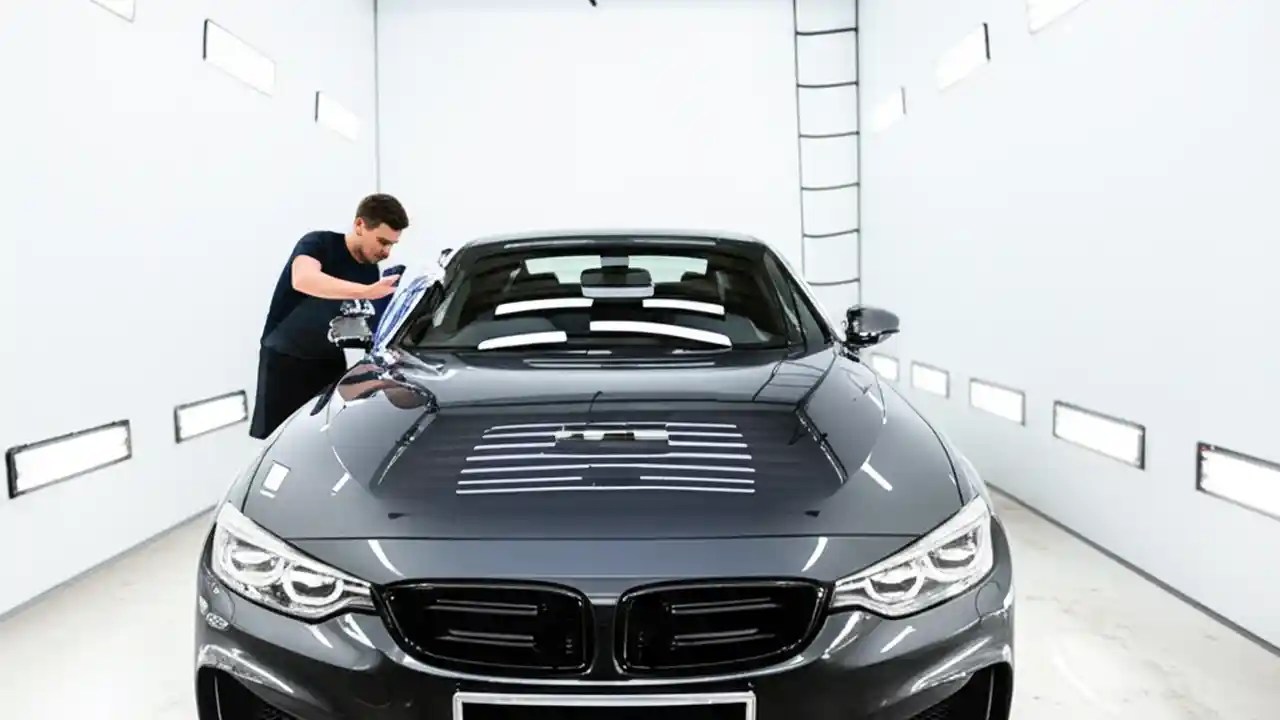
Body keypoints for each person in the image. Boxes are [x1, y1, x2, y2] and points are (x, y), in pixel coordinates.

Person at [248, 193, 409, 439]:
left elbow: (359, 323)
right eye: (382, 242)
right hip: (286, 361)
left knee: (324, 439)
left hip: (328, 363)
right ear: (360, 225)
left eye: (392, 245)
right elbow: (303, 279)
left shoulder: (370, 271)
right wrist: (367, 291)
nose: (386, 252)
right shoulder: (318, 243)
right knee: (277, 441)